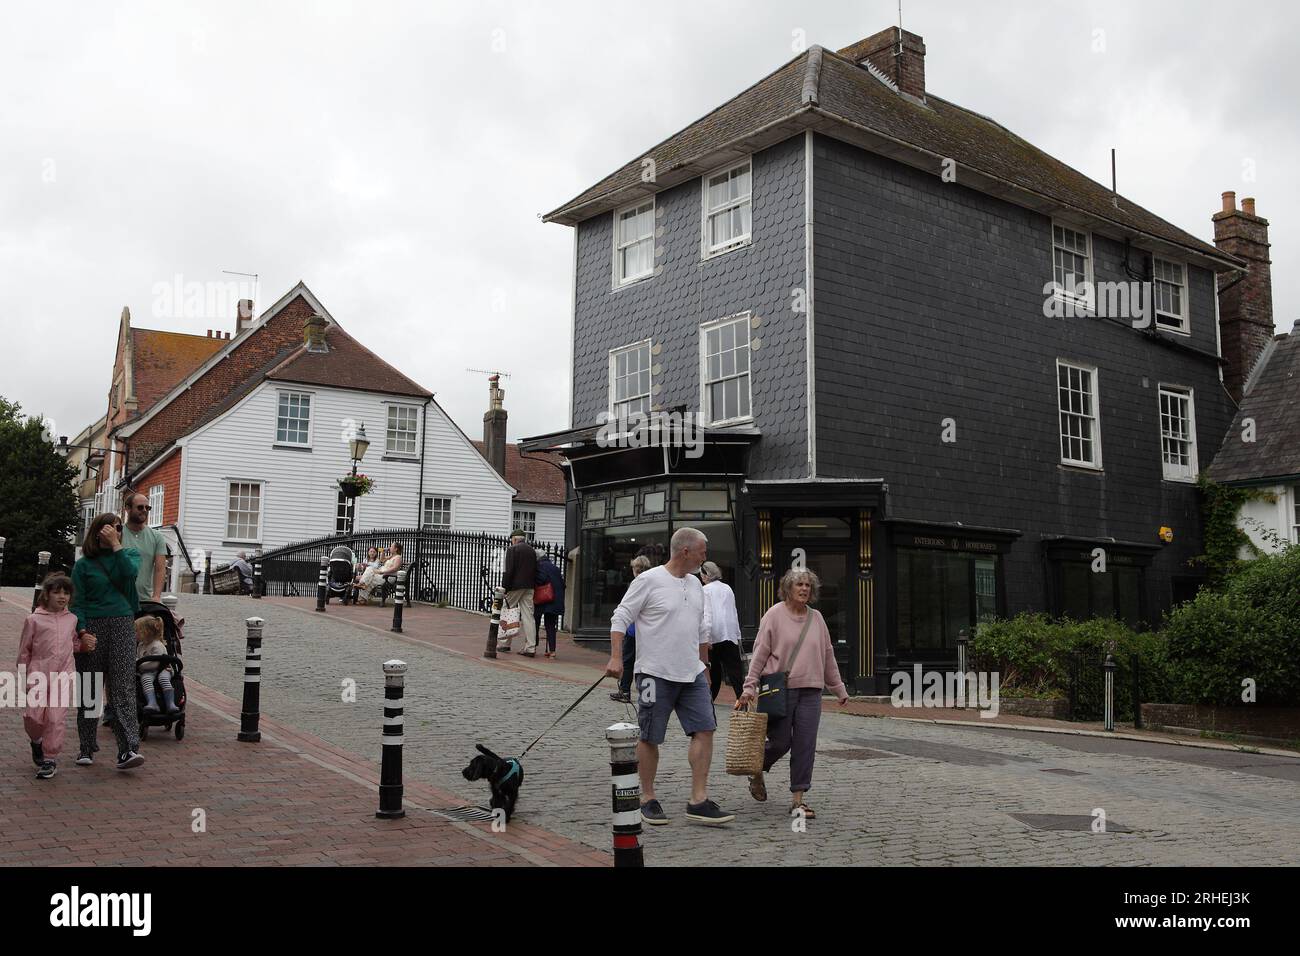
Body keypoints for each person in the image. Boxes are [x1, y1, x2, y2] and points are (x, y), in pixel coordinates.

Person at [606, 527, 731, 826]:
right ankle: (647, 797)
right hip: (654, 672)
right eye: (702, 550)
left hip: (693, 673)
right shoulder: (648, 581)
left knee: (705, 729)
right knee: (649, 736)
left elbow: (702, 628)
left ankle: (698, 799)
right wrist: (615, 656)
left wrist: (705, 666)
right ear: (685, 551)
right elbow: (621, 616)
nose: (706, 556)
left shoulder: (697, 586)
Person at [736, 567, 848, 820]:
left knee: (805, 745)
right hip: (780, 690)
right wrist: (749, 686)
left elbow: (828, 654)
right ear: (788, 588)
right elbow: (760, 654)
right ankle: (757, 768)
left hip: (811, 691)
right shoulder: (774, 615)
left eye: (808, 585)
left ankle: (798, 800)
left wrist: (838, 687)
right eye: (799, 584)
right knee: (781, 742)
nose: (804, 589)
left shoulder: (816, 618)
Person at [72, 513, 145, 770]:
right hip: (93, 626)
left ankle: (128, 749)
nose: (115, 531)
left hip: (123, 624)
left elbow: (129, 574)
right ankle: (86, 746)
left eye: (117, 529)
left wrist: (116, 546)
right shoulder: (83, 565)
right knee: (90, 688)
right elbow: (77, 603)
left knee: (122, 687)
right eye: (109, 527)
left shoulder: (128, 555)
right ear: (96, 530)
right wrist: (82, 632)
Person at [18, 574, 92, 779]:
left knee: (55, 718)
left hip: (63, 675)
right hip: (38, 674)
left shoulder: (72, 619)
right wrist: (23, 675)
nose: (62, 597)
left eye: (66, 593)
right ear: (47, 594)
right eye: (57, 592)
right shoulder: (33, 619)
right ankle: (36, 742)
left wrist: (84, 645)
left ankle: (49, 759)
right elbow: (24, 650)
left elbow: (73, 644)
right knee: (33, 716)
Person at [701, 562, 745, 702]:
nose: (701, 577)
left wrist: (706, 637)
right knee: (735, 671)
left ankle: (709, 701)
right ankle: (741, 699)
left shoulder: (705, 590)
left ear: (706, 575)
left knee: (714, 672)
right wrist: (737, 634)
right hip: (729, 633)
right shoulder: (727, 588)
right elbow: (734, 612)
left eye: (702, 574)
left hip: (714, 634)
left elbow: (707, 614)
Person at [610, 555, 650, 702]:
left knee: (628, 661)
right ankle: (646, 693)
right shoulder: (652, 581)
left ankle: (625, 691)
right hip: (646, 632)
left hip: (634, 630)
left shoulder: (637, 583)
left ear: (635, 569)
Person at [120, 491, 167, 603]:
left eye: (147, 507)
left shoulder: (157, 536)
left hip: (145, 600)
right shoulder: (117, 533)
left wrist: (156, 596)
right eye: (140, 507)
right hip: (119, 599)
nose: (144, 510)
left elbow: (160, 569)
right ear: (128, 508)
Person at [499, 531, 538, 656]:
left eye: (512, 539)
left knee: (506, 610)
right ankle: (530, 647)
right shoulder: (532, 550)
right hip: (529, 586)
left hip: (515, 586)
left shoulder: (512, 549)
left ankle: (505, 643)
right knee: (528, 616)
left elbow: (508, 571)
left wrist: (505, 588)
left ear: (514, 539)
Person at [135, 616, 179, 715]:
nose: (135, 634)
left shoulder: (157, 645)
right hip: (149, 671)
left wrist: (139, 665)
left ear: (145, 632)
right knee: (145, 679)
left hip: (163, 669)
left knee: (163, 679)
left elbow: (155, 663)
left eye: (136, 631)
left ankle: (170, 703)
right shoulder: (141, 645)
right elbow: (139, 658)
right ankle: (152, 703)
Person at [533, 548, 566, 658]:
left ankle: (533, 645)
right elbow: (563, 584)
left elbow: (540, 579)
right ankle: (552, 651)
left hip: (544, 599)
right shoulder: (555, 567)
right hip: (556, 600)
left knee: (535, 622)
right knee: (551, 625)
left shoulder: (540, 566)